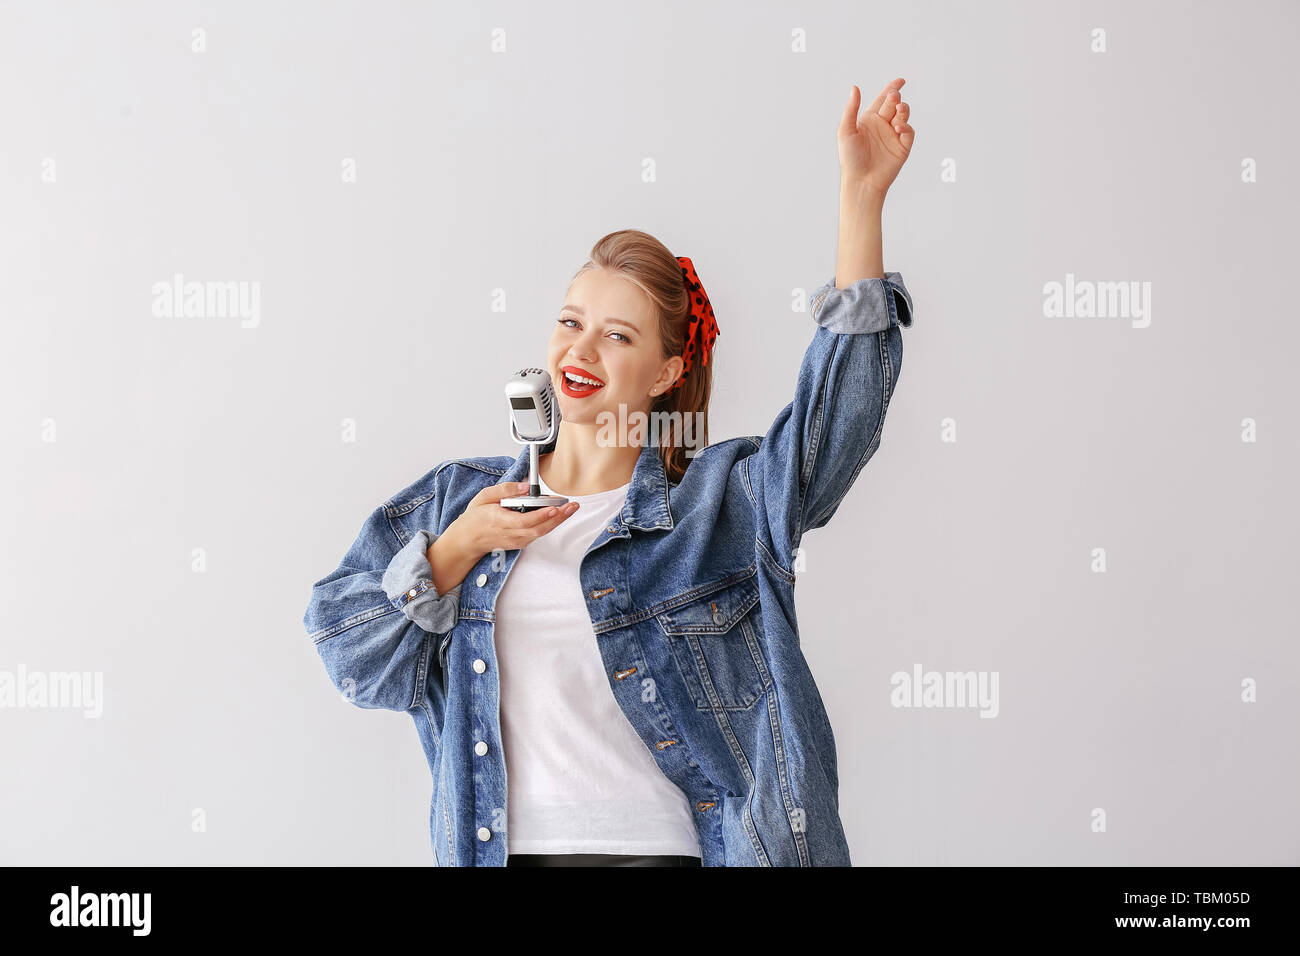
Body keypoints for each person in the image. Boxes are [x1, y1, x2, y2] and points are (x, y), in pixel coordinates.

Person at [304, 78, 916, 866]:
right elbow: (350, 657)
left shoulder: (720, 504)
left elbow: (836, 428)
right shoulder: (459, 500)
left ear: (666, 374)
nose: (581, 351)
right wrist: (457, 549)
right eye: (570, 322)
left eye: (617, 337)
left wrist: (860, 204)